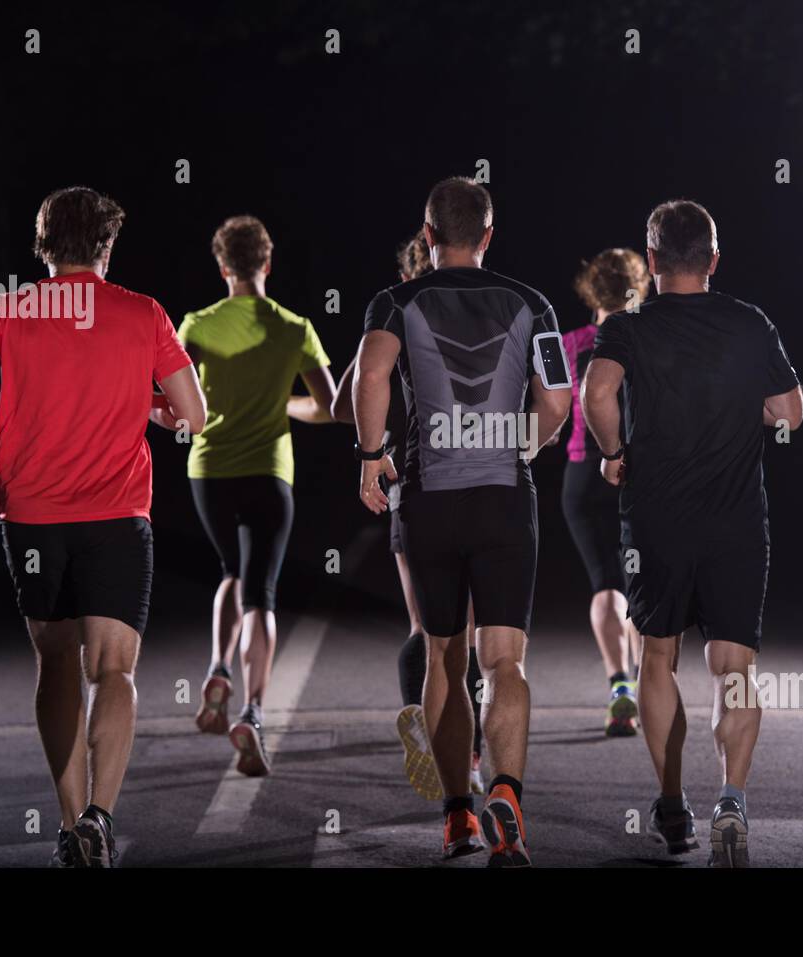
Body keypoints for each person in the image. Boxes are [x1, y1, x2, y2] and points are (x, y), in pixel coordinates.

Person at [0, 186, 206, 867]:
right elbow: (193, 415)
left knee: (54, 661)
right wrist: (147, 404)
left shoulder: (14, 306)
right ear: (107, 246)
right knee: (113, 669)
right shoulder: (142, 313)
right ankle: (100, 818)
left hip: (31, 515)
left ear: (43, 246)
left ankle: (65, 821)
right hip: (116, 516)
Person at [352, 177, 570, 866]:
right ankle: (505, 787)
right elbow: (559, 400)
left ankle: (456, 818)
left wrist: (368, 454)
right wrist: (520, 442)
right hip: (504, 495)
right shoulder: (533, 302)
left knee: (444, 655)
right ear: (488, 236)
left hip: (429, 498)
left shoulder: (396, 299)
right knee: (505, 659)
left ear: (427, 235)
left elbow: (370, 376)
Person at [581, 200, 803, 867]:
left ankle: (672, 804)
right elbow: (791, 410)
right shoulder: (749, 322)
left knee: (657, 657)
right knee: (734, 668)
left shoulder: (627, 326)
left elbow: (596, 395)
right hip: (736, 520)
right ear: (713, 259)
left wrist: (614, 450)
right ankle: (732, 797)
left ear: (651, 262)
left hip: (656, 518)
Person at [181, 215, 337, 777]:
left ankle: (219, 666)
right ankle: (251, 710)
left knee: (229, 571)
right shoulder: (295, 327)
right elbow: (331, 404)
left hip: (210, 469)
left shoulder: (196, 324)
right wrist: (284, 406)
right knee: (262, 594)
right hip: (270, 472)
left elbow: (179, 404)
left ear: (223, 268)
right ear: (267, 264)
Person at [332, 232, 485, 800]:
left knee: (425, 629)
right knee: (466, 637)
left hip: (411, 488)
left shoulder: (394, 316)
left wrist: (374, 445)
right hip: (477, 482)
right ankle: (468, 759)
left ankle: (421, 720)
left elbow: (340, 403)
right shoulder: (473, 317)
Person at [562, 249, 649, 736]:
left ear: (590, 290)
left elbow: (548, 412)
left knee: (605, 583)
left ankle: (620, 686)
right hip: (636, 472)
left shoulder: (565, 342)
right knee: (639, 587)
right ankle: (641, 685)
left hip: (581, 472)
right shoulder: (649, 341)